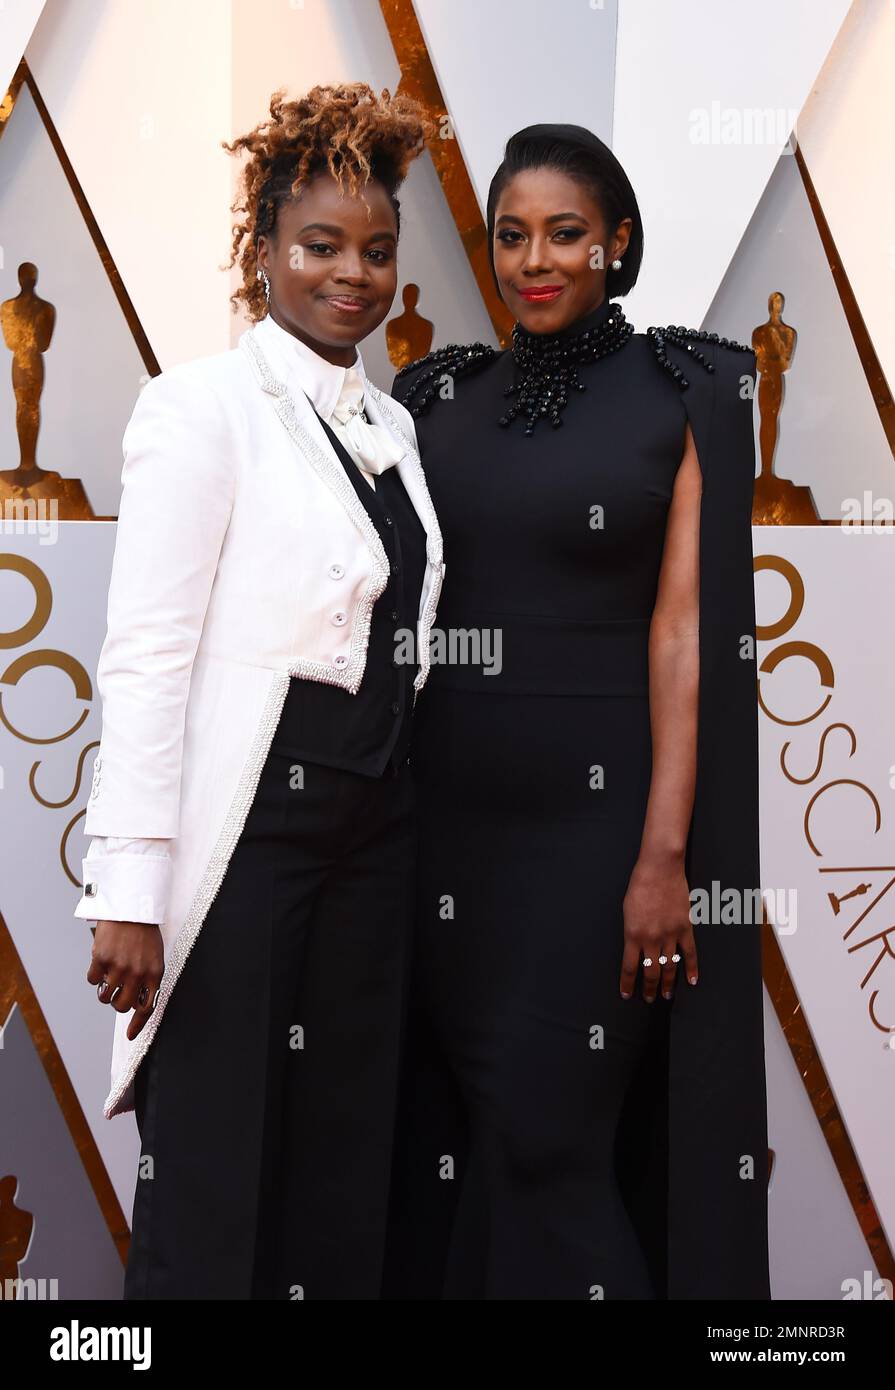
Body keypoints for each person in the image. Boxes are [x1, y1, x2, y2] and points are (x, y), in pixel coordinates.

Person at [383, 123, 770, 1300]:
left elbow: (681, 635)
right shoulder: (432, 394)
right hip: (440, 838)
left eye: (564, 233)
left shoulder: (690, 388)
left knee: (551, 1141)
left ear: (617, 243)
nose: (533, 259)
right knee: (473, 1151)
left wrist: (662, 854)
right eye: (510, 236)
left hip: (597, 844)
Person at [73, 83, 441, 1300]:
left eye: (377, 250)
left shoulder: (390, 424)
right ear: (265, 250)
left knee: (340, 1183)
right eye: (322, 246)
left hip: (372, 845)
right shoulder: (201, 409)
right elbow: (147, 652)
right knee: (215, 1180)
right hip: (246, 851)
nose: (353, 275)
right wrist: (128, 889)